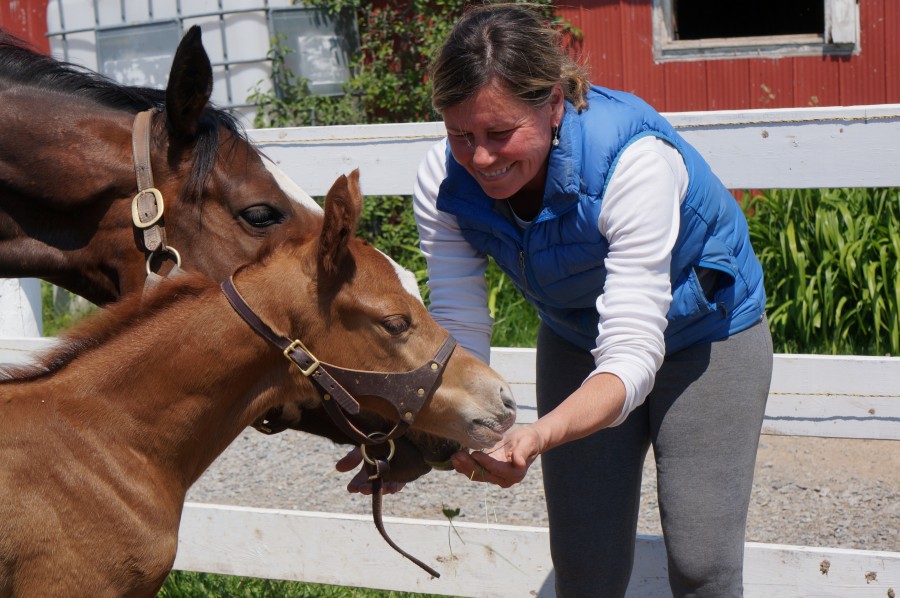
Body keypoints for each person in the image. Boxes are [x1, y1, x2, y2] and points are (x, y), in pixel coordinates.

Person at [408, 3, 774, 597]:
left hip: (709, 335)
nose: (480, 159)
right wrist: (422, 437)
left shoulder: (634, 163)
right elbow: (460, 326)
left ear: (553, 104)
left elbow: (631, 354)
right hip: (578, 334)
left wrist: (536, 435)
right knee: (584, 565)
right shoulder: (443, 182)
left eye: (501, 134)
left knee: (702, 562)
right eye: (460, 134)